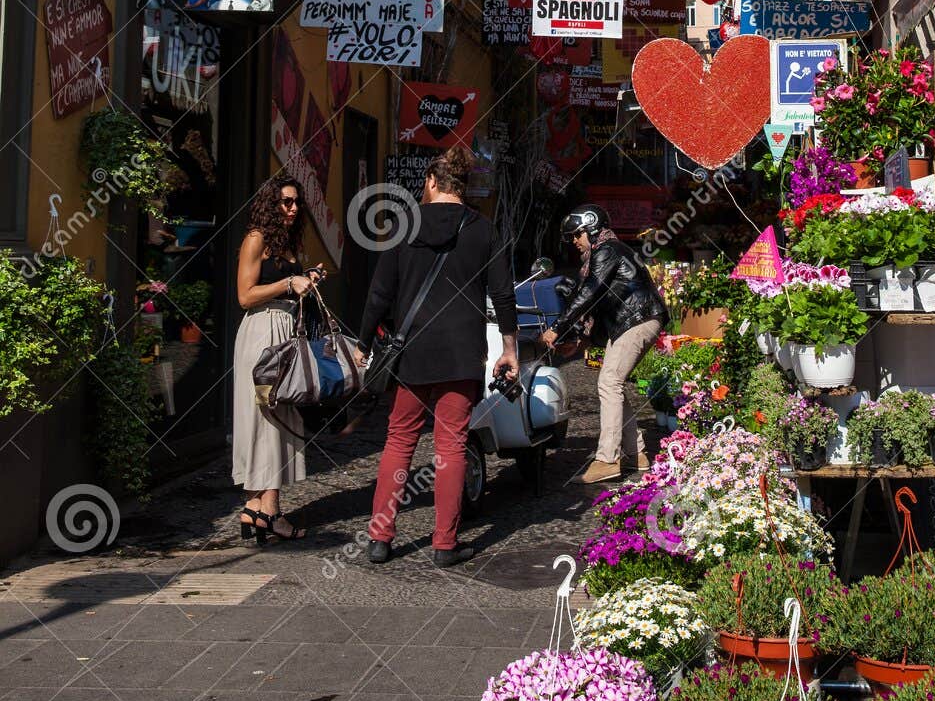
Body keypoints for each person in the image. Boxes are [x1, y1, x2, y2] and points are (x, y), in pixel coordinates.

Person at [354, 145, 519, 568]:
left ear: (430, 182)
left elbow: (380, 293)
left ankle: (379, 538)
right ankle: (444, 545)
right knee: (451, 446)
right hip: (462, 354)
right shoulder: (483, 231)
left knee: (399, 440)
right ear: (461, 186)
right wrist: (510, 349)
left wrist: (362, 344)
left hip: (410, 354)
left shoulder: (403, 228)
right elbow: (502, 294)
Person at [541, 205, 668, 486]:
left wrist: (557, 328)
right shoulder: (604, 253)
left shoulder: (607, 250)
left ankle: (608, 459)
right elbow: (601, 304)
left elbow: (590, 293)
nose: (573, 241)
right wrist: (581, 340)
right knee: (613, 383)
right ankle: (636, 455)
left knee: (609, 382)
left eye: (576, 234)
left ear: (592, 228)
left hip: (639, 318)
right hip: (633, 319)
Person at [232, 174, 325, 542]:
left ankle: (256, 508)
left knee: (282, 414)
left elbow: (288, 287)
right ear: (270, 204)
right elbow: (244, 295)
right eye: (286, 202)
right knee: (264, 418)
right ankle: (269, 512)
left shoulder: (287, 241)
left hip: (286, 330)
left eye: (296, 202)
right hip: (262, 333)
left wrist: (307, 278)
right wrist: (289, 283)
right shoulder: (255, 238)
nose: (292, 208)